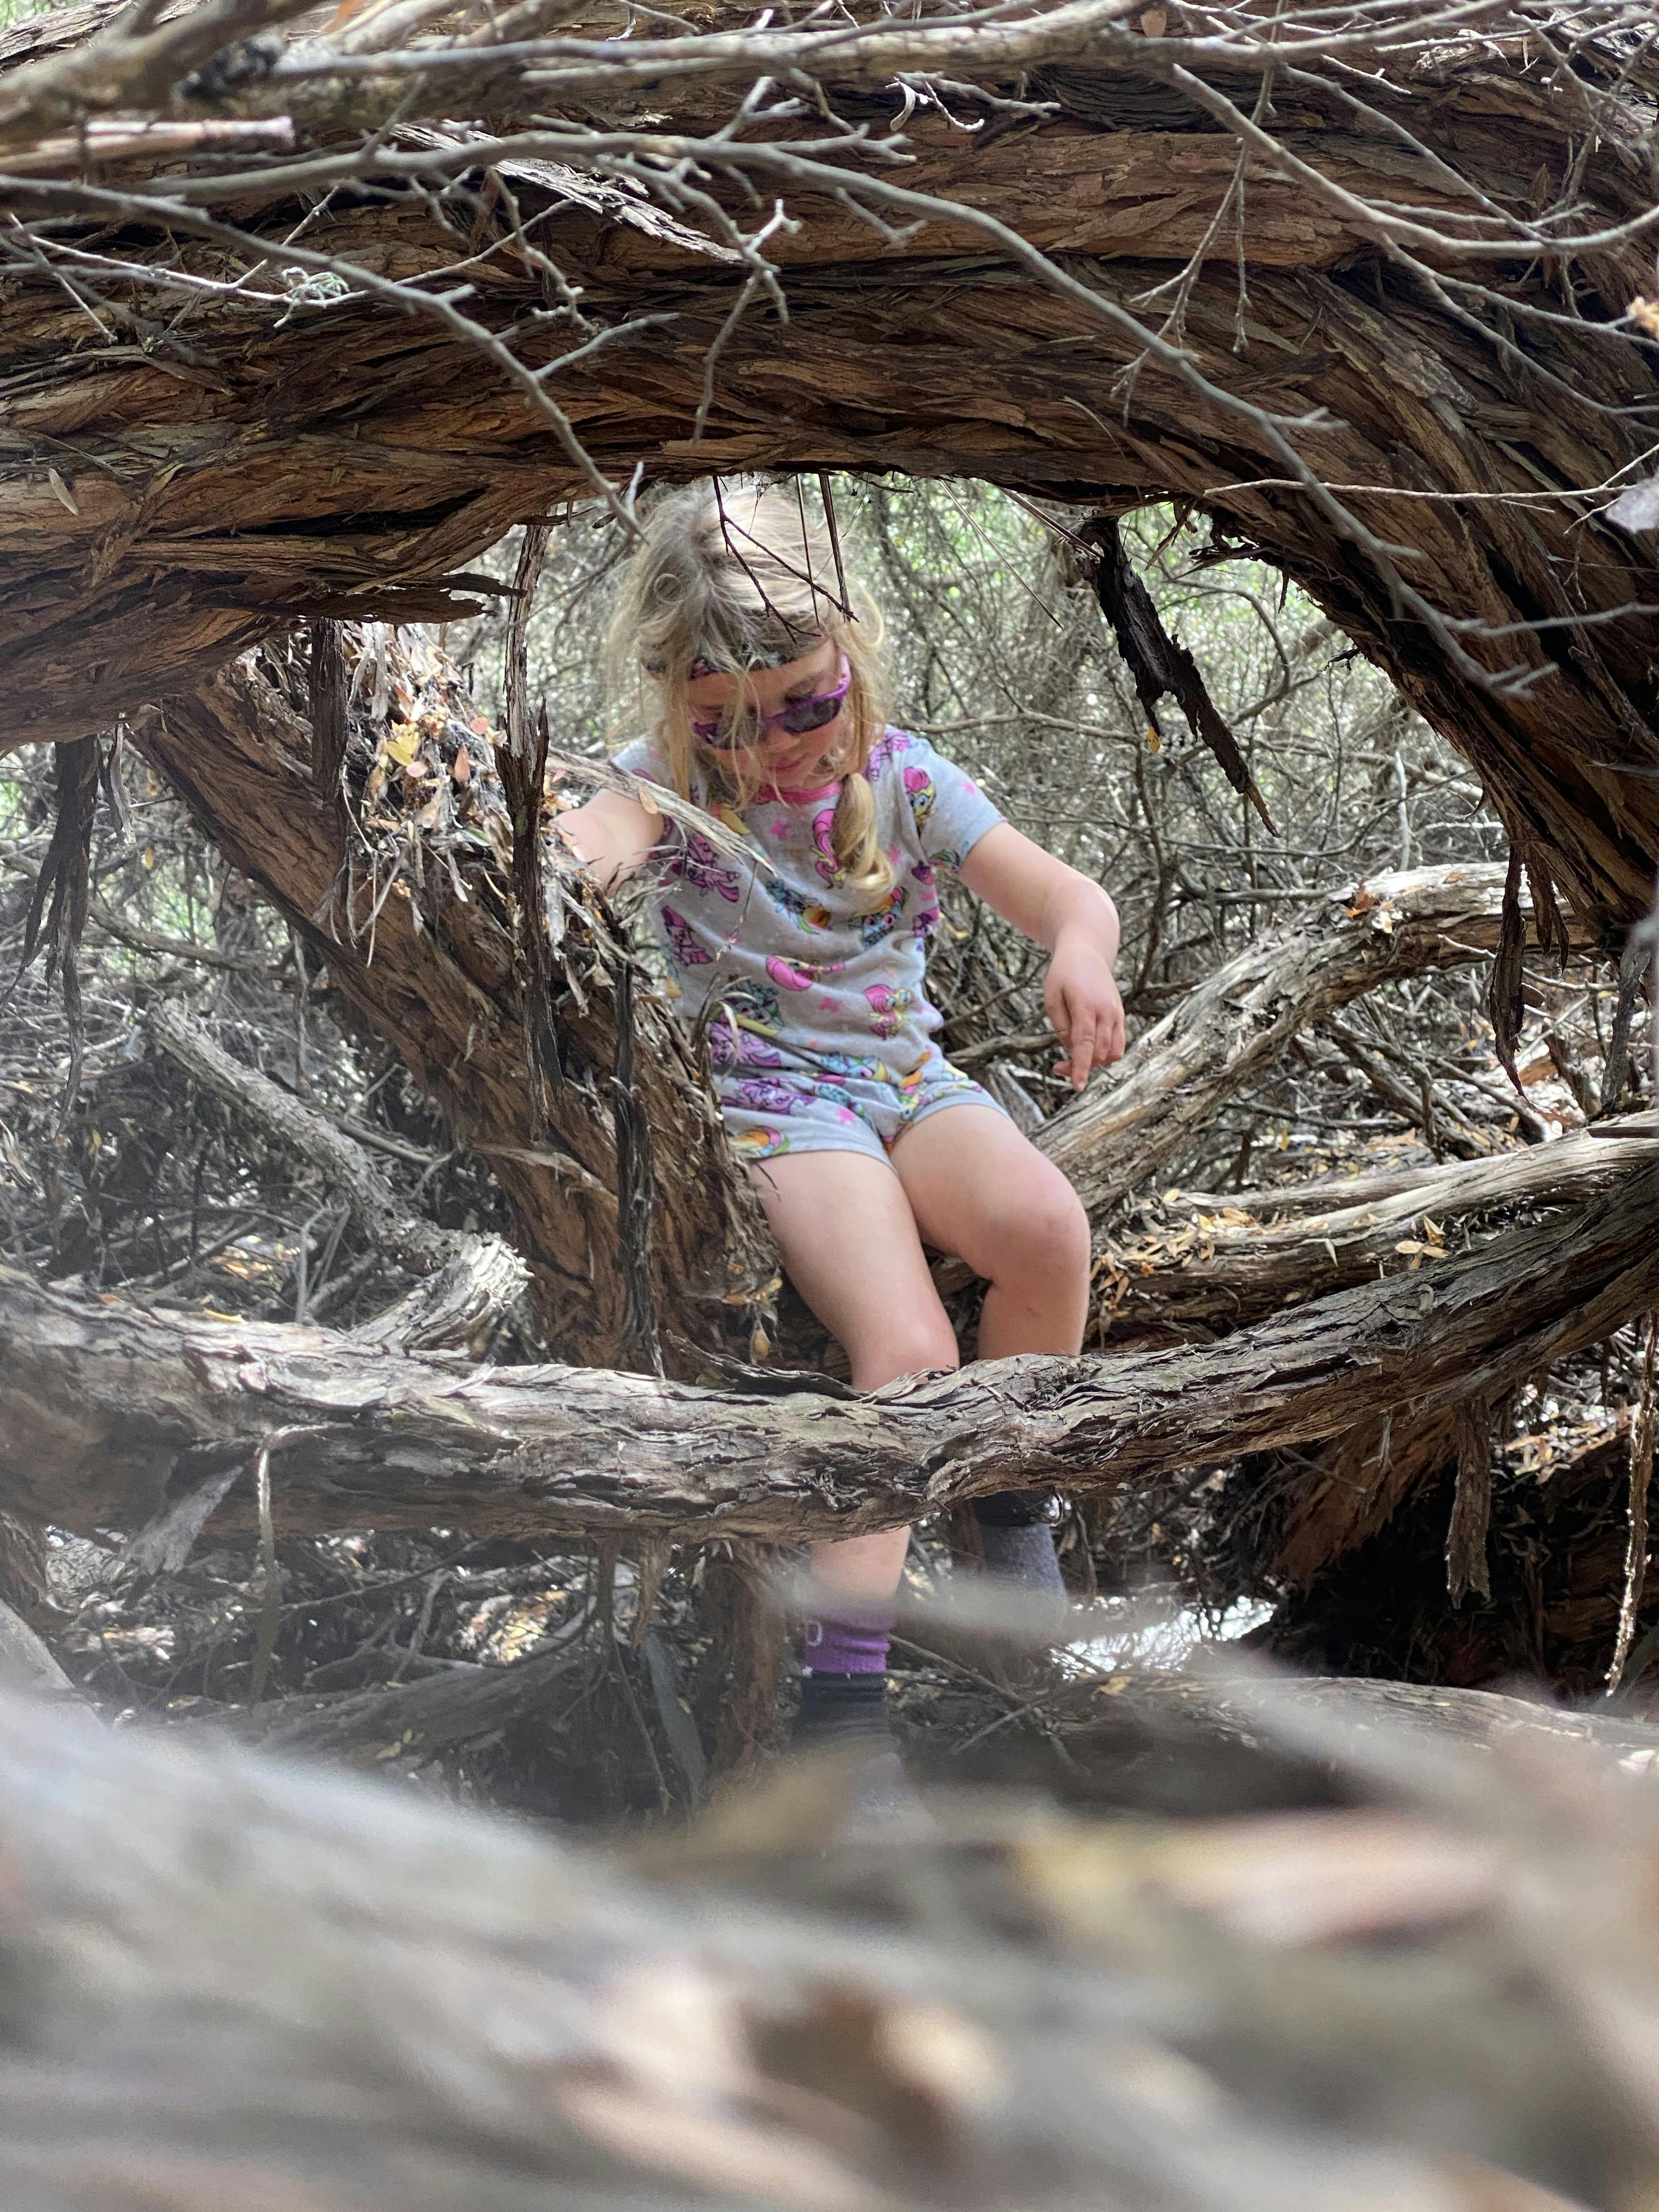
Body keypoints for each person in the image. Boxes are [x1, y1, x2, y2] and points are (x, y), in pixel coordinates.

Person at [558, 479, 1124, 1785]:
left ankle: (1010, 1496)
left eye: (807, 704)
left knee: (1046, 1231)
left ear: (850, 657)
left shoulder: (904, 778)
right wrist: (562, 848)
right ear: (676, 702)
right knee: (910, 1347)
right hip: (772, 1096)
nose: (774, 750)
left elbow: (1065, 894)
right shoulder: (664, 785)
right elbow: (586, 843)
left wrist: (1083, 954)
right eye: (728, 722)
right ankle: (844, 1714)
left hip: (904, 1080)